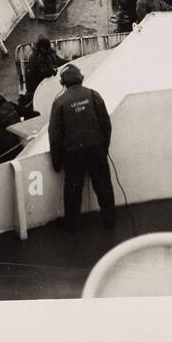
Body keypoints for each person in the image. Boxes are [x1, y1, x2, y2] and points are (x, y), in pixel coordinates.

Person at [48, 64, 115, 231]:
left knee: (73, 189)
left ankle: (72, 224)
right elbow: (106, 124)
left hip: (72, 154)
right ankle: (109, 219)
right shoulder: (93, 95)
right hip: (96, 149)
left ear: (63, 83)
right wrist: (104, 146)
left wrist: (56, 161)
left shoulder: (59, 102)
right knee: (103, 185)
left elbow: (55, 135)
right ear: (81, 78)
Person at [22, 35, 64, 109]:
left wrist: (71, 62)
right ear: (40, 47)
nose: (47, 51)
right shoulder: (34, 58)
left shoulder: (50, 53)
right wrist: (50, 71)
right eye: (45, 49)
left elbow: (59, 60)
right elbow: (36, 74)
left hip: (50, 85)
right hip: (36, 89)